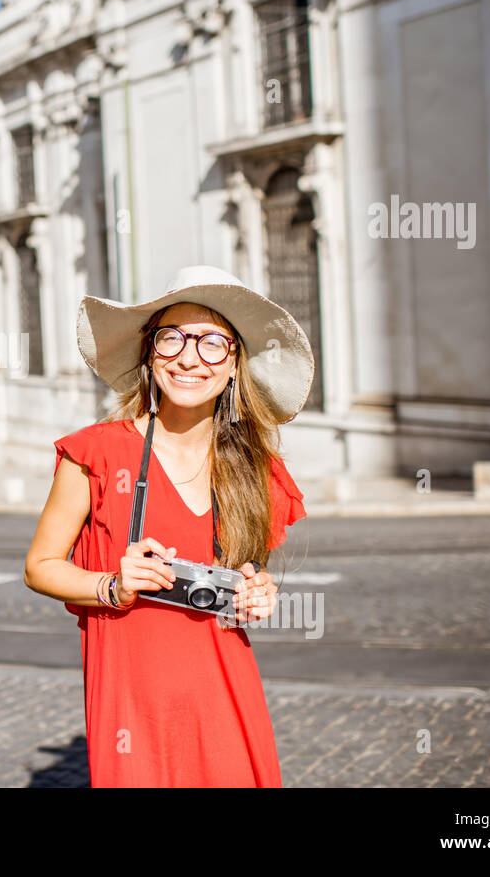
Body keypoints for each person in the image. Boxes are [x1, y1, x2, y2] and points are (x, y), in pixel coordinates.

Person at [23, 264, 313, 787]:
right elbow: (40, 567)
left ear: (233, 366)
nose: (188, 358)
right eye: (171, 338)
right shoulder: (95, 452)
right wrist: (112, 585)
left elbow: (245, 577)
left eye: (211, 344)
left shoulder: (255, 469)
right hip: (130, 703)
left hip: (225, 693)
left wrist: (258, 594)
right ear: (149, 353)